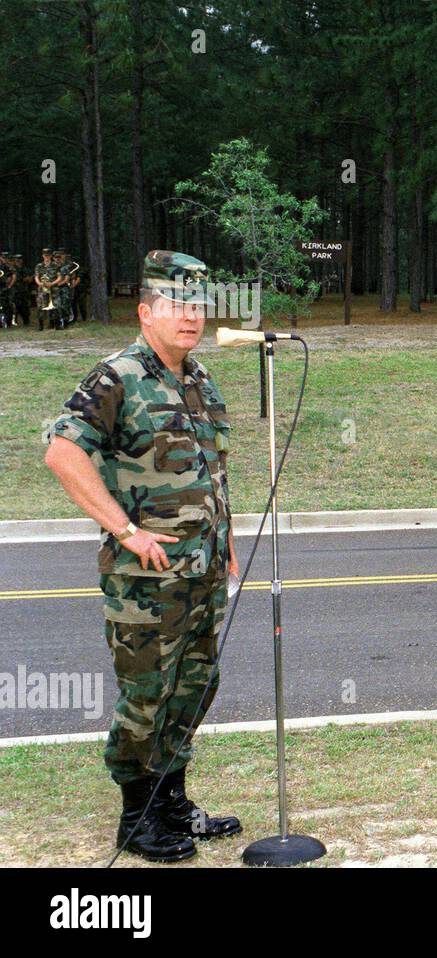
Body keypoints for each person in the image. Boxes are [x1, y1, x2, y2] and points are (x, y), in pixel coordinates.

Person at [44, 250, 242, 863]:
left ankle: (172, 800)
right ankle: (137, 817)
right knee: (148, 693)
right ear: (145, 312)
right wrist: (126, 530)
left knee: (194, 685)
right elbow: (61, 452)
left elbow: (211, 471)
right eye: (176, 307)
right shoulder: (117, 376)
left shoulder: (197, 378)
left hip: (202, 570)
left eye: (198, 308)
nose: (190, 318)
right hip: (146, 578)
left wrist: (226, 541)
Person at [34, 248, 59, 331]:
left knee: (55, 306)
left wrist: (52, 283)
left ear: (51, 256)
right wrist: (39, 283)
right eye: (45, 255)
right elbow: (36, 277)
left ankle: (56, 325)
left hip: (53, 288)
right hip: (42, 289)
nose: (47, 257)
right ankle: (40, 326)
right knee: (40, 307)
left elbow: (60, 277)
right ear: (43, 256)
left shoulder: (55, 265)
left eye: (48, 255)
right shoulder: (39, 266)